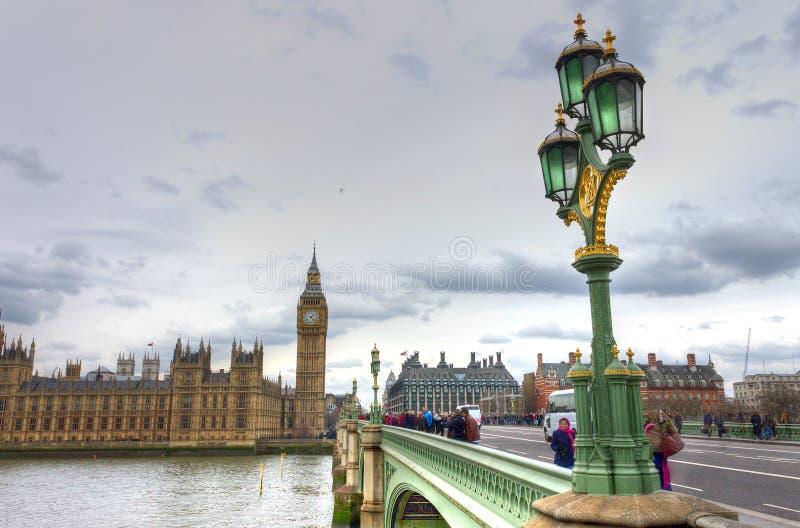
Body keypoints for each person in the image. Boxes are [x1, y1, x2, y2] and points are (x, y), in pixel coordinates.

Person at [644, 412, 676, 490]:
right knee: (662, 470)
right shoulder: (664, 425)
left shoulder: (649, 425)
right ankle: (664, 487)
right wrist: (667, 419)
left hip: (652, 451)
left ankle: (656, 486)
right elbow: (674, 431)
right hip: (661, 450)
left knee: (655, 469)